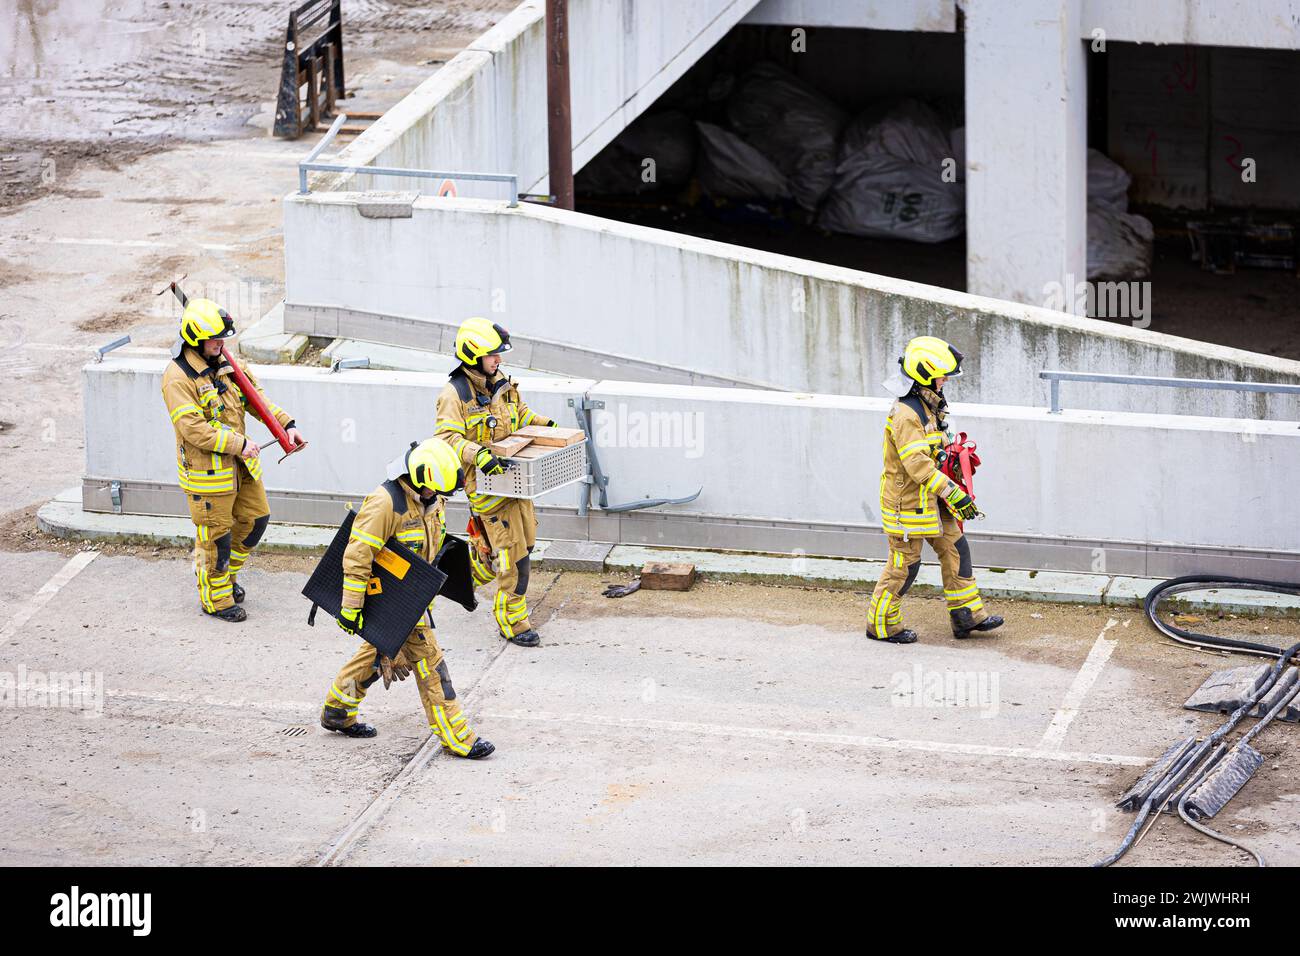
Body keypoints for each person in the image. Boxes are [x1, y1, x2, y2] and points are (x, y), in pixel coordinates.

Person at [320, 438, 494, 759]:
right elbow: (358, 555)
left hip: (411, 601)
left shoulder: (431, 497)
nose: (437, 498)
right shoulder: (385, 503)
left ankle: (338, 709)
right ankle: (457, 736)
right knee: (432, 664)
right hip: (390, 601)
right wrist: (351, 609)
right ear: (417, 478)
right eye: (433, 492)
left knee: (375, 654)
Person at [160, 298, 304, 622]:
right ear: (195, 339)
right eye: (215, 339)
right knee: (216, 539)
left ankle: (227, 577)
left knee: (256, 520)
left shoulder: (226, 362)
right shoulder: (177, 378)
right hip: (208, 475)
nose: (222, 344)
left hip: (240, 467)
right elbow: (194, 429)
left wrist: (287, 426)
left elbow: (257, 400)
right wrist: (240, 444)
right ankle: (216, 598)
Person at [865, 336, 1004, 644]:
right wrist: (954, 492)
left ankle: (966, 616)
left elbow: (933, 454)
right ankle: (881, 625)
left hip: (932, 500)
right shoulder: (906, 414)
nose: (945, 381)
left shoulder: (930, 407)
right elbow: (917, 466)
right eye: (941, 375)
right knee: (905, 566)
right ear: (925, 374)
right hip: (908, 506)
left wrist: (952, 456)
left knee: (956, 549)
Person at [435, 317, 557, 648]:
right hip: (488, 489)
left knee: (525, 543)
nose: (499, 360)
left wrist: (546, 426)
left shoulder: (501, 382)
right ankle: (512, 621)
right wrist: (479, 454)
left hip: (516, 481)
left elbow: (522, 415)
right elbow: (447, 439)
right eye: (493, 355)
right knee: (515, 558)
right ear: (474, 355)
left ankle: (460, 575)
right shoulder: (455, 394)